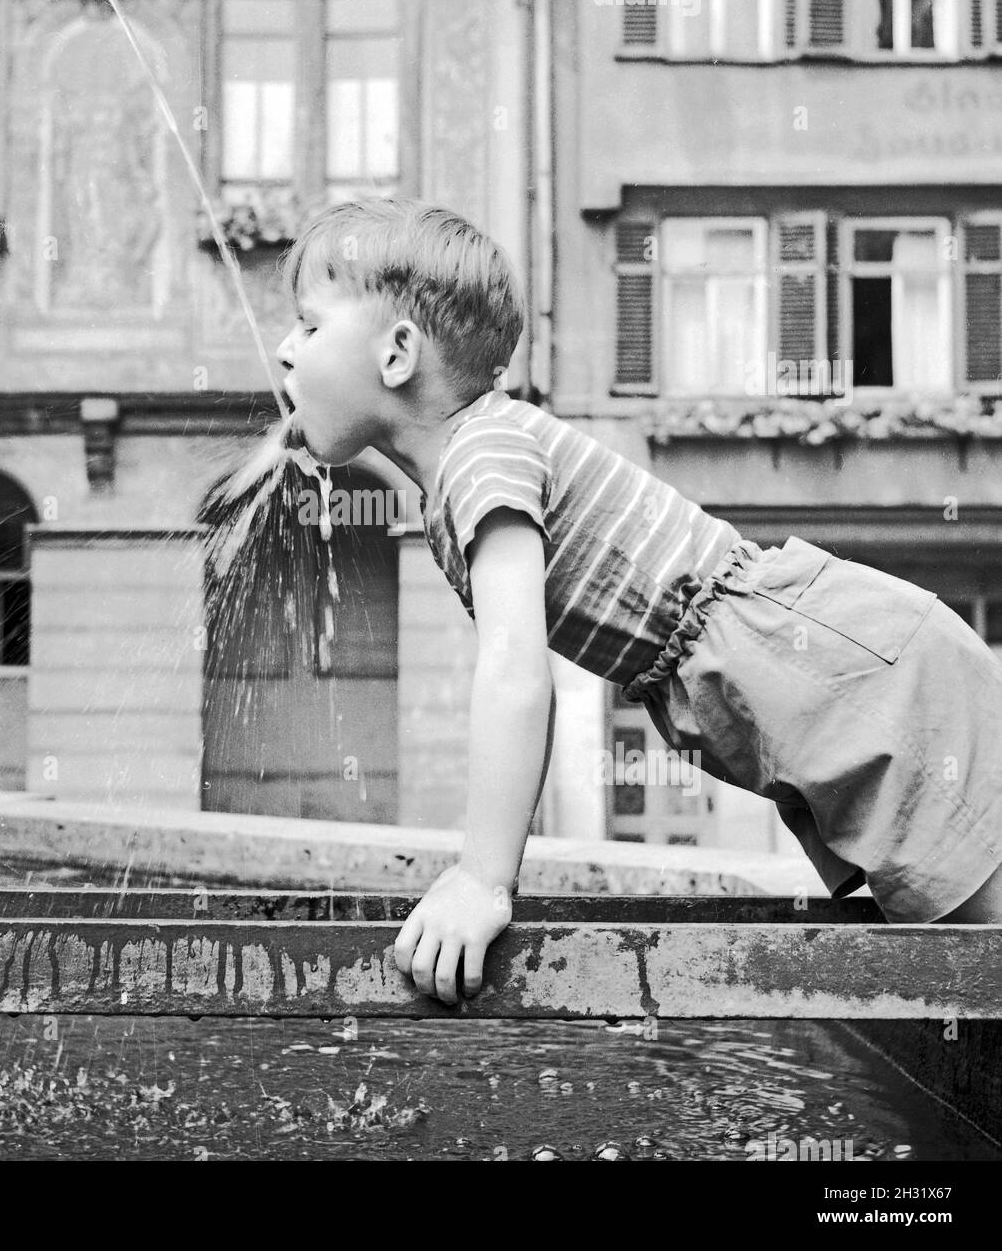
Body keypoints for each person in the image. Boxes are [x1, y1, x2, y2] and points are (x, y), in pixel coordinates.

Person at [273, 197, 1002, 1006]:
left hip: (853, 678)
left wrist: (482, 880)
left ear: (399, 353)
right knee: (965, 976)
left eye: (307, 326)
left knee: (982, 967)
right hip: (829, 671)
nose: (283, 351)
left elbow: (515, 670)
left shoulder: (484, 454)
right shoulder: (468, 464)